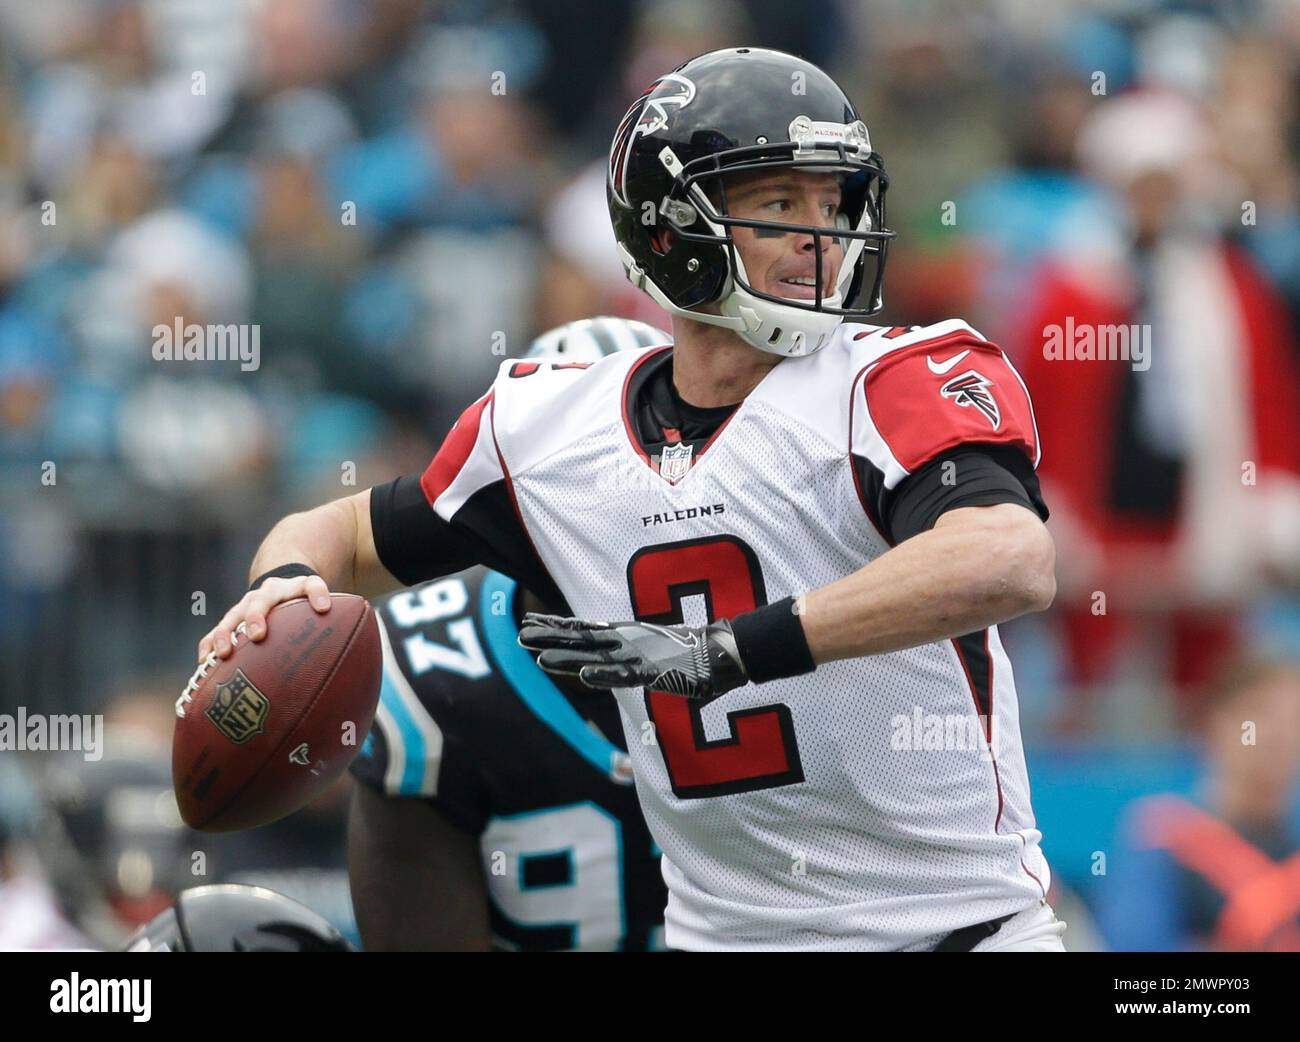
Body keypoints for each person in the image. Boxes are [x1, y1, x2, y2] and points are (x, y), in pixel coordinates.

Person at [198, 48, 1064, 951]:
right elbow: (338, 530)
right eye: (778, 205)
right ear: (666, 230)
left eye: (834, 199)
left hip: (959, 931)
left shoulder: (897, 378)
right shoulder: (549, 429)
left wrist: (731, 649)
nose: (822, 234)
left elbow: (1006, 558)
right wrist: (284, 584)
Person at [347, 317, 671, 951]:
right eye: (575, 470)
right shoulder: (432, 672)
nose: (611, 505)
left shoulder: (789, 622)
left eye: (646, 467)